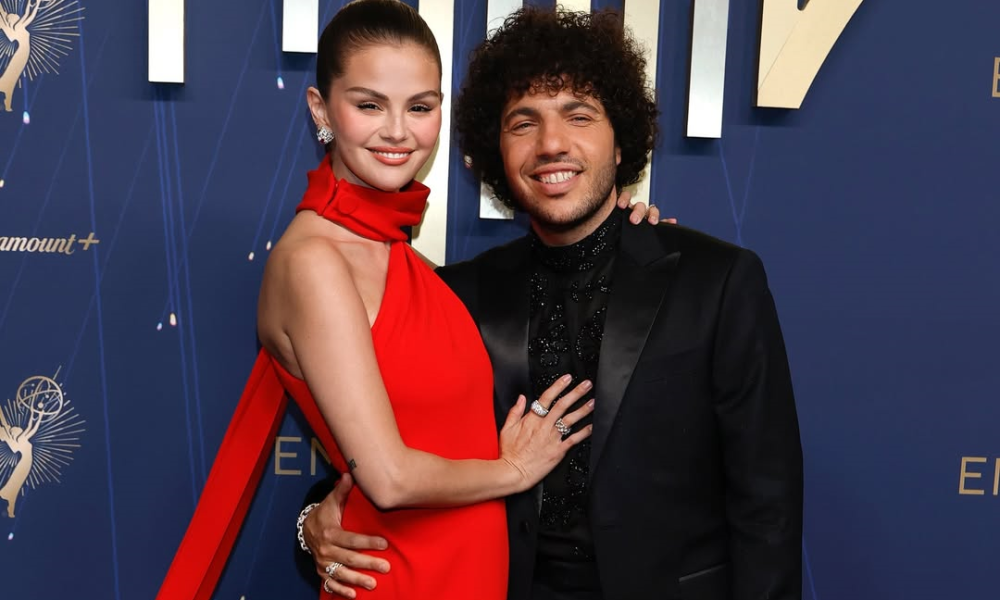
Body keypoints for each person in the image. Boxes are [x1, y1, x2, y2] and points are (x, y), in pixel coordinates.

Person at [154, 2, 658, 600]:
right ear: (321, 109)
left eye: (419, 107)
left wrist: (626, 242)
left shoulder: (418, 268)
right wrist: (513, 469)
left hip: (474, 574)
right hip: (404, 579)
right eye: (369, 104)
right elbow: (388, 479)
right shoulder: (314, 260)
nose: (397, 131)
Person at [302, 7, 804, 600]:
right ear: (496, 150)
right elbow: (378, 457)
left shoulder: (716, 281)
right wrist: (313, 524)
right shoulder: (454, 295)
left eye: (579, 115)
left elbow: (768, 508)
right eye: (523, 122)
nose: (552, 144)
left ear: (622, 142)